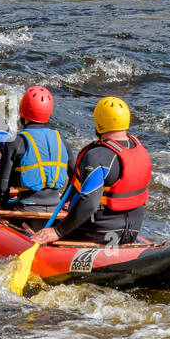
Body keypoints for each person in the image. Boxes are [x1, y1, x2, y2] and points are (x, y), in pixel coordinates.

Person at [29, 96, 150, 245]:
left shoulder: (96, 155)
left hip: (99, 232)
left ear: (99, 123)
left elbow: (89, 201)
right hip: (132, 231)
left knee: (42, 229)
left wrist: (57, 231)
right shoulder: (139, 148)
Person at [0, 85, 68, 209]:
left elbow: (2, 186)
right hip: (55, 207)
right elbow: (76, 179)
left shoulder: (15, 141)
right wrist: (64, 202)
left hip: (26, 208)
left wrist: (3, 206)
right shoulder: (61, 139)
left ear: (21, 110)